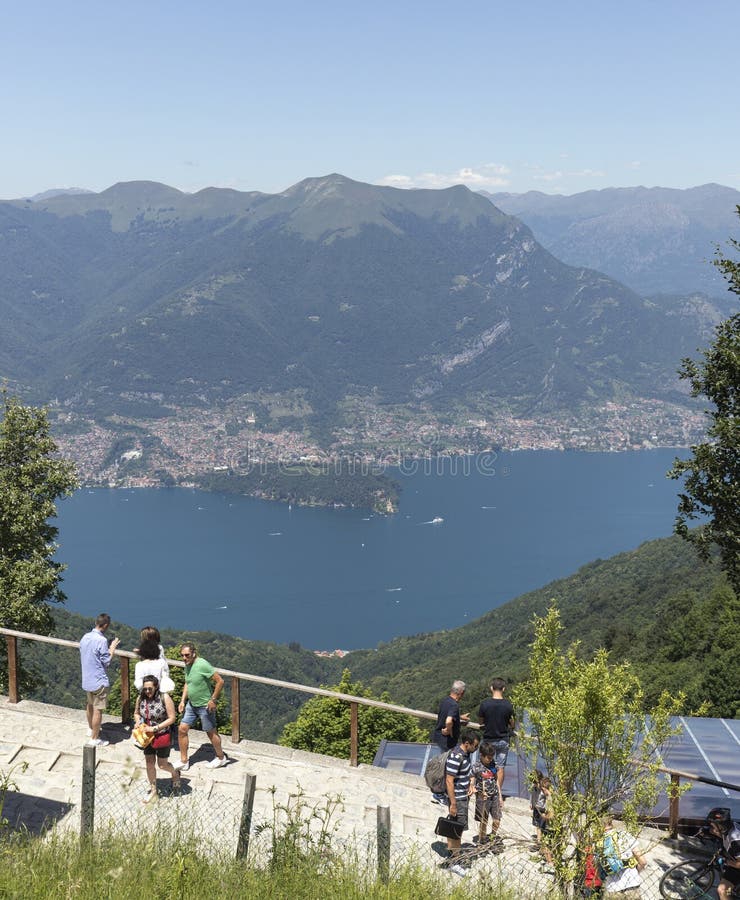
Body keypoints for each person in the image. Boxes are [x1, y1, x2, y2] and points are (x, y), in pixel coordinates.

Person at [175, 642, 228, 770]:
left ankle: (221, 758)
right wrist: (183, 700)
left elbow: (220, 681)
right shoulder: (188, 665)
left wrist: (213, 700)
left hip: (205, 706)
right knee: (182, 729)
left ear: (194, 653)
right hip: (191, 704)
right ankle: (184, 760)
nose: (184, 658)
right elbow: (188, 683)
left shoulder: (202, 664)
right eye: (182, 655)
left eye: (187, 655)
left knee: (211, 733)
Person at [134, 674, 180, 804]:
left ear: (156, 687)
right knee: (149, 763)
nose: (147, 691)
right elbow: (137, 713)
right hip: (146, 736)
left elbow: (172, 718)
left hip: (162, 735)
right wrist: (138, 722)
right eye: (145, 689)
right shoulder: (140, 698)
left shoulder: (164, 697)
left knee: (162, 764)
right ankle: (153, 791)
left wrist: (155, 728)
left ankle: (175, 773)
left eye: (150, 689)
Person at [79, 613, 120, 747]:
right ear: (106, 625)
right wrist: (112, 648)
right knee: (98, 709)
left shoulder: (85, 637)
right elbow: (106, 661)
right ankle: (94, 738)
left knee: (89, 704)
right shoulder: (101, 641)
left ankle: (91, 729)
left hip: (87, 679)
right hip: (98, 681)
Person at [442, 727, 480, 869]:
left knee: (457, 826)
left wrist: (471, 784)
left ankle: (454, 855)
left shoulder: (465, 755)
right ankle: (454, 860)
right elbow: (449, 781)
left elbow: (468, 773)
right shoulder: (456, 756)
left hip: (463, 796)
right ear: (467, 743)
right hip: (457, 798)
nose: (476, 749)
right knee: (457, 828)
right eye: (475, 746)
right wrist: (453, 804)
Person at [477, 677, 515, 794]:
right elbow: (512, 723)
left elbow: (480, 722)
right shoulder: (508, 705)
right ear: (503, 688)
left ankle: (483, 789)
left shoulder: (485, 704)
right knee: (501, 767)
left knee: (484, 764)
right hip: (503, 740)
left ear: (491, 688)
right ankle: (497, 792)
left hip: (489, 739)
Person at [601, 817, 646, 898]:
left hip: (612, 889)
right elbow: (643, 861)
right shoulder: (625, 835)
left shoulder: (599, 842)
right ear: (612, 823)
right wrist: (635, 872)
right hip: (632, 884)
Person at [472, 740, 503, 847]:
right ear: (481, 755)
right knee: (483, 821)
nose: (490, 760)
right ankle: (482, 840)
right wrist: (474, 789)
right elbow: (471, 779)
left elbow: (496, 780)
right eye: (488, 758)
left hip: (494, 795)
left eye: (491, 757)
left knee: (497, 820)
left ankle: (493, 837)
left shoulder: (494, 764)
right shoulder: (476, 766)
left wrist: (500, 796)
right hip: (483, 798)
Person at [706, 807, 740, 900]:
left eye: (714, 825)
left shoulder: (735, 840)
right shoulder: (730, 826)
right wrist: (707, 831)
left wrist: (727, 861)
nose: (712, 827)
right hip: (734, 860)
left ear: (722, 826)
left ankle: (728, 894)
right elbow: (719, 833)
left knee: (723, 890)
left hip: (737, 866)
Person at [432, 680, 469, 751]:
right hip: (446, 743)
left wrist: (459, 716)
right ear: (461, 693)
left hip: (438, 738)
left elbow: (445, 713)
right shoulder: (454, 705)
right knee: (444, 761)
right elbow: (448, 721)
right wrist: (448, 730)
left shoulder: (445, 700)